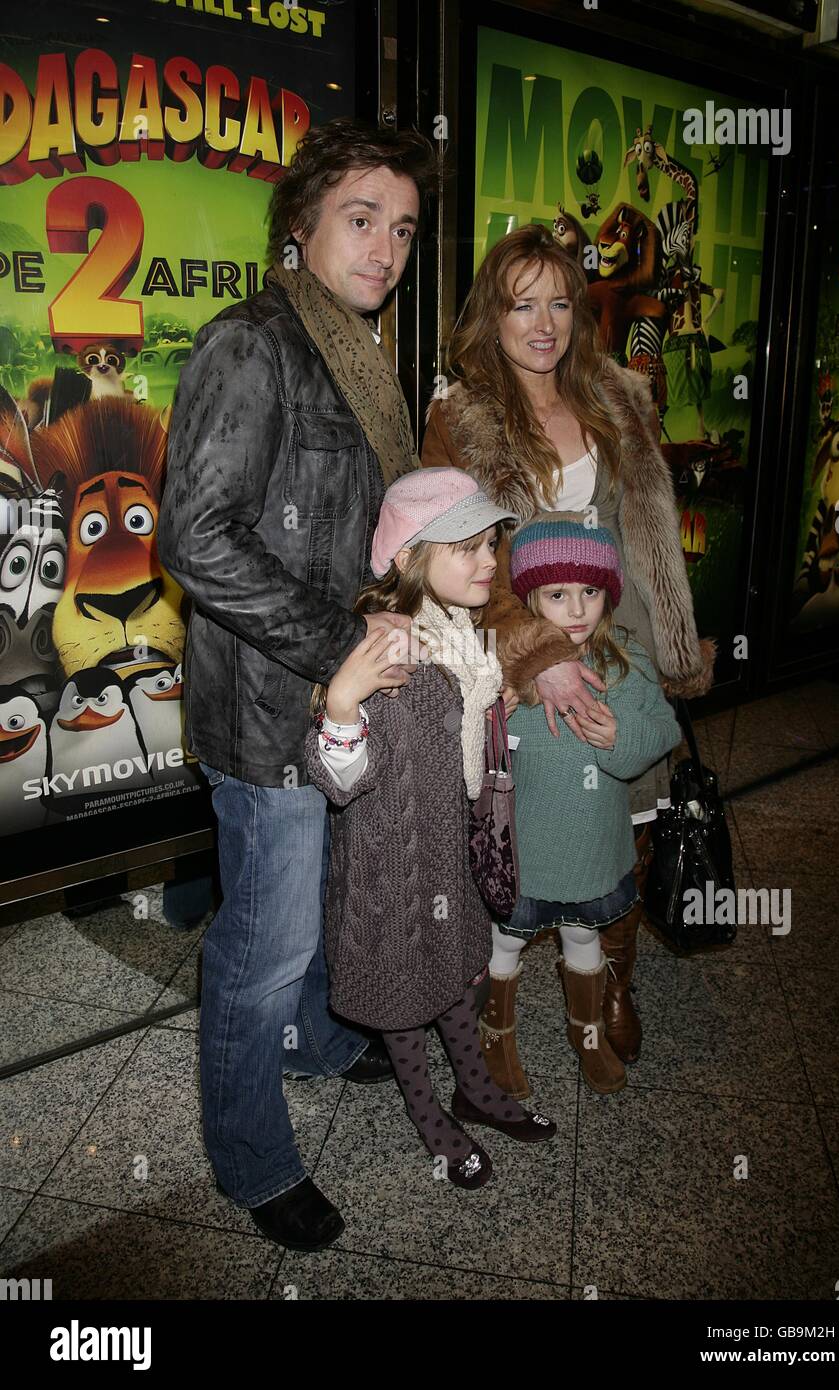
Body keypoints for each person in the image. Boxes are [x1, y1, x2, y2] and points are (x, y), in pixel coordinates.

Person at [157, 118, 440, 1251]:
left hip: (340, 699)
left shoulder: (357, 353)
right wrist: (341, 644)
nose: (385, 249)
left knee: (322, 905)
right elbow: (198, 537)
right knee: (261, 943)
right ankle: (251, 1157)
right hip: (274, 707)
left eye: (404, 230)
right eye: (361, 220)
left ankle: (319, 1041)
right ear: (301, 227)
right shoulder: (254, 342)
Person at [420, 223, 714, 1088]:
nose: (542, 323)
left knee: (628, 820)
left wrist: (666, 643)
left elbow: (646, 531)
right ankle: (495, 1004)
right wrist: (537, 652)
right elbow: (446, 553)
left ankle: (612, 988)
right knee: (535, 833)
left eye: (558, 302)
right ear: (491, 315)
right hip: (521, 660)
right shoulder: (458, 418)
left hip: (620, 649)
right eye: (521, 304)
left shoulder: (619, 396)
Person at [303, 468, 558, 1189]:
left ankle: (474, 1088)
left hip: (447, 859)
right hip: (393, 870)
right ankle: (429, 1117)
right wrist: (345, 707)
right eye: (466, 547)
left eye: (489, 545)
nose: (488, 561)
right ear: (411, 556)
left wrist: (488, 704)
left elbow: (462, 741)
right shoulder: (386, 649)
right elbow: (340, 780)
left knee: (449, 975)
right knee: (403, 996)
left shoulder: (458, 639)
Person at [489, 513, 681, 1096]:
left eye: (590, 592)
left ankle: (588, 1033)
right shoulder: (511, 668)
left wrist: (619, 739)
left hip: (592, 847)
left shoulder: (624, 659)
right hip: (523, 847)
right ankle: (495, 1037)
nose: (576, 610)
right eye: (556, 594)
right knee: (505, 941)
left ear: (608, 594)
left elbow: (665, 729)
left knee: (584, 936)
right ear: (529, 597)